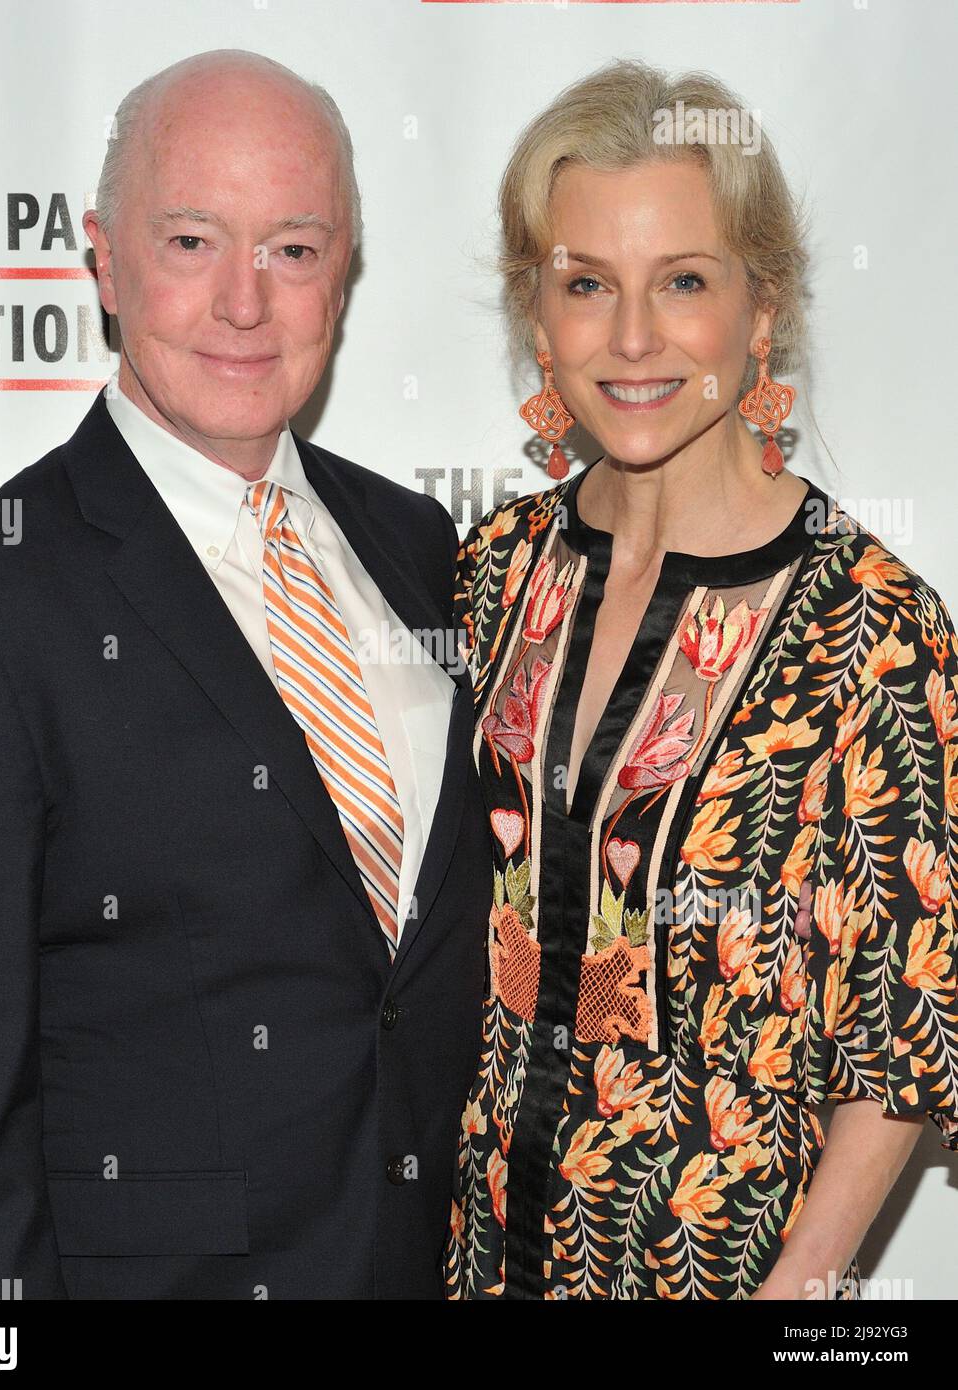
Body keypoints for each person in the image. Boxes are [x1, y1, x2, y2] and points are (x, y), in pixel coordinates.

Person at [0, 49, 492, 1300]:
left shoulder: (418, 552)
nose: (246, 304)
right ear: (101, 257)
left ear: (346, 270)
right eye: (195, 240)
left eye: (295, 249)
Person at [444, 58, 958, 1301]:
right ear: (538, 313)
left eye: (683, 281)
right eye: (585, 285)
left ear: (760, 309)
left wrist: (805, 1288)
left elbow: (908, 1032)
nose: (631, 338)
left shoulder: (875, 628)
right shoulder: (491, 573)